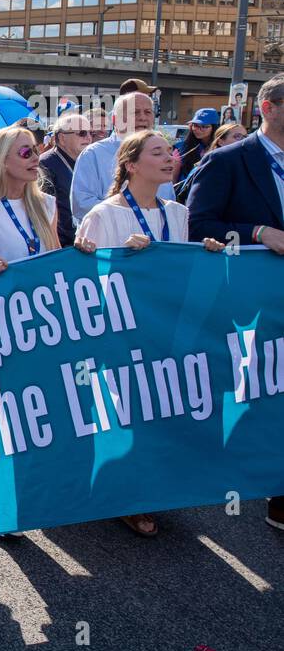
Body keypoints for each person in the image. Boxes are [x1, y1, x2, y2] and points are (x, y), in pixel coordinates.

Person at [76, 129, 224, 536]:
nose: (170, 157)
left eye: (170, 151)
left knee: (160, 409)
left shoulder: (176, 212)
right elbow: (85, 284)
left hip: (166, 329)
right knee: (126, 413)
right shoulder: (105, 215)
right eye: (157, 152)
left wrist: (206, 255)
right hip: (121, 334)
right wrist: (123, 260)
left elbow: (181, 273)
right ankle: (127, 496)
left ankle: (153, 488)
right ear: (131, 165)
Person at [188, 72, 284, 532]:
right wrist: (260, 234)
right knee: (259, 387)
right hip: (251, 298)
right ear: (268, 108)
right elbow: (200, 225)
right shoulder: (229, 161)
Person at [70, 91, 174, 224]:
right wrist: (133, 215)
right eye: (135, 112)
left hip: (156, 240)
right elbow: (82, 206)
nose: (142, 117)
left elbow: (169, 203)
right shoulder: (93, 154)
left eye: (148, 112)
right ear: (115, 120)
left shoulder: (161, 155)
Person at [0, 126, 59, 272]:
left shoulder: (46, 203)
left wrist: (80, 252)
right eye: (26, 153)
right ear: (1, 161)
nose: (36, 158)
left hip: (41, 293)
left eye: (36, 150)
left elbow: (57, 260)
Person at [39, 112, 92, 247]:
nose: (89, 138)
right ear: (62, 138)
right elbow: (47, 212)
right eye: (81, 133)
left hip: (86, 239)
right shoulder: (45, 164)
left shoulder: (88, 161)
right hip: (62, 244)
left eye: (90, 133)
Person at [176, 122, 248, 202]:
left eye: (246, 137)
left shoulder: (246, 165)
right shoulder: (208, 167)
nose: (244, 141)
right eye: (237, 136)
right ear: (220, 142)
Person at [177, 108, 221, 186]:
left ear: (214, 128)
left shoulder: (220, 148)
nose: (197, 129)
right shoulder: (181, 147)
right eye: (195, 125)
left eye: (204, 126)